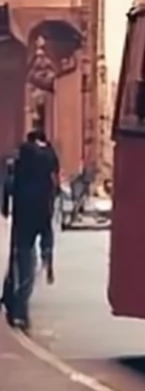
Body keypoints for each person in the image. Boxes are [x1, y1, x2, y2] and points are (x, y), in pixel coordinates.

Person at [2, 127, 60, 327]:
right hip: (42, 215)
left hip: (22, 216)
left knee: (21, 261)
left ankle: (14, 303)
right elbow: (54, 184)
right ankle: (18, 307)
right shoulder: (49, 157)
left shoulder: (20, 158)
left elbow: (9, 185)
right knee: (28, 263)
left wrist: (5, 207)